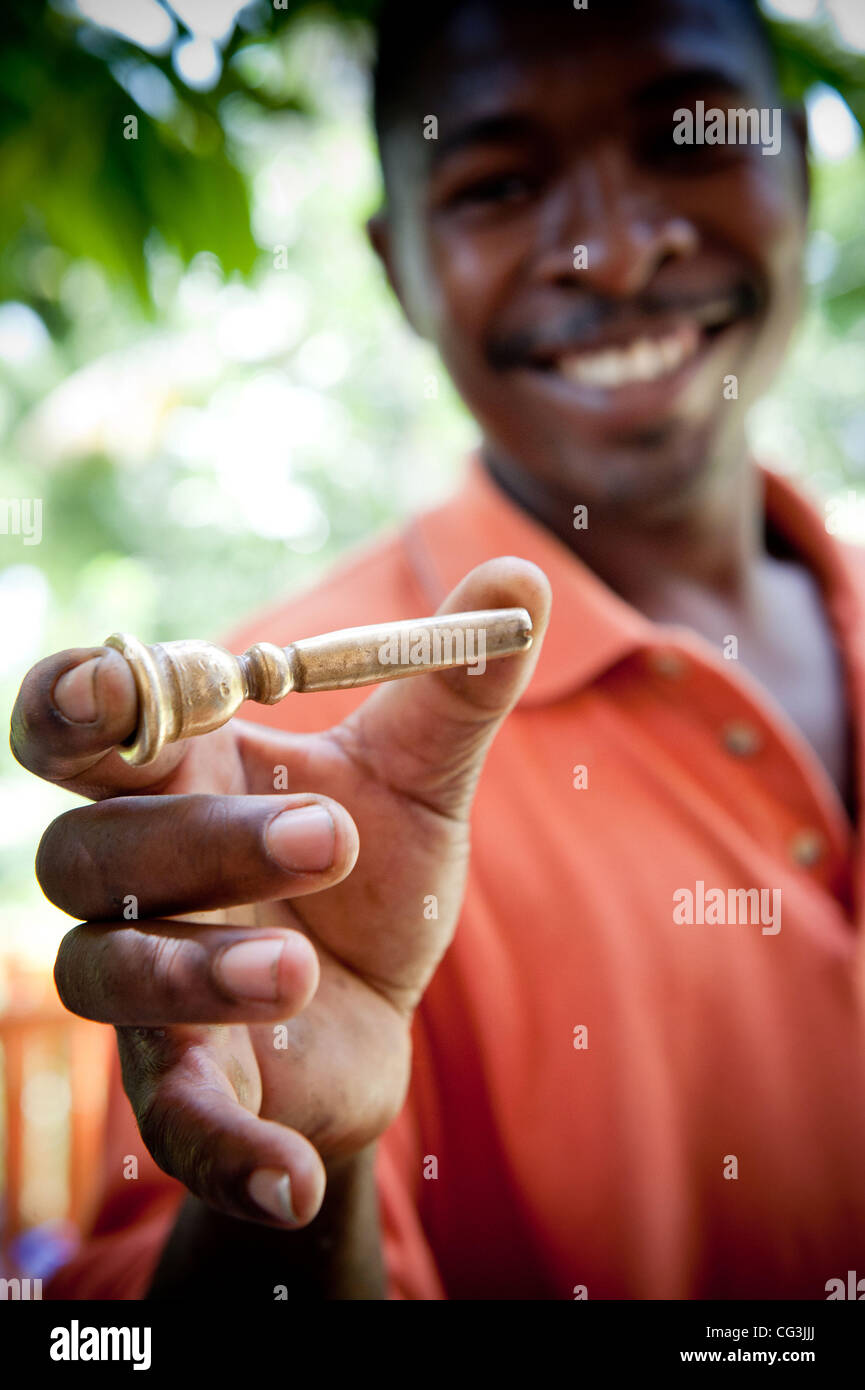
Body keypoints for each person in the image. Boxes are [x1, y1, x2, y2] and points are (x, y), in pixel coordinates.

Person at [12, 0, 865, 1300]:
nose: (618, 252)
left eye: (686, 138)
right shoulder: (252, 788)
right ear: (397, 267)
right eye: (500, 183)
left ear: (799, 172)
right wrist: (299, 1177)